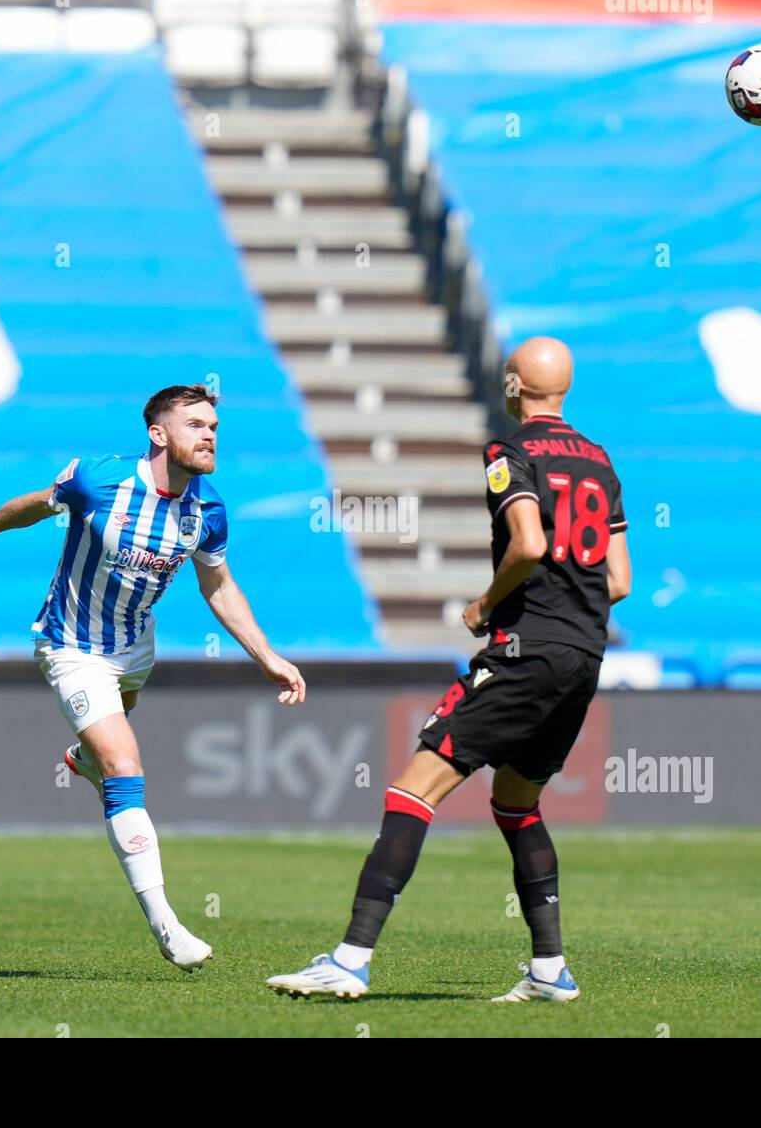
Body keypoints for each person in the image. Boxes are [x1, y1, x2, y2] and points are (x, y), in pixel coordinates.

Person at [266, 337, 630, 1002]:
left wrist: (486, 604)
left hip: (527, 649)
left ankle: (349, 960)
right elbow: (621, 581)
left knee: (414, 788)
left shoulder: (509, 452)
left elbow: (529, 542)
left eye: (507, 375)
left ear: (516, 385)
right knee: (517, 803)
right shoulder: (601, 463)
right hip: (585, 654)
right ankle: (550, 971)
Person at [0, 383, 306, 973]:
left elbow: (216, 584)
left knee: (120, 716)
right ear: (158, 434)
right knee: (125, 764)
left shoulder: (207, 510)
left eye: (214, 425)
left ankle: (84, 759)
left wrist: (265, 655)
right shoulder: (99, 480)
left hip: (136, 645)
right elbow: (37, 504)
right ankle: (167, 923)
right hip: (71, 644)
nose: (210, 434)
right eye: (195, 424)